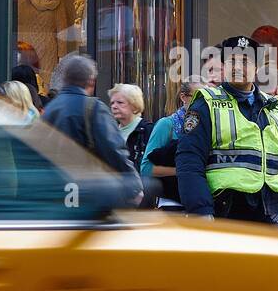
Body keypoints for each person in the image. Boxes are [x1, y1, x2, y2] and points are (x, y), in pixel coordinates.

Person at [176, 35, 278, 224]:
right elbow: (189, 159)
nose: (236, 67)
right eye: (231, 61)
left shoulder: (273, 107)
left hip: (270, 212)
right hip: (224, 211)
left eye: (244, 62)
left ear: (257, 68)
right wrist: (200, 210)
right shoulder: (206, 102)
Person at [41, 54, 142, 204]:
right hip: (86, 192)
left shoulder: (49, 110)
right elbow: (113, 150)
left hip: (55, 192)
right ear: (91, 81)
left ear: (66, 79)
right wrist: (134, 186)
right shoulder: (93, 108)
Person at [140, 78, 208, 209]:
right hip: (172, 202)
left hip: (202, 199)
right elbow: (146, 169)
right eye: (198, 97)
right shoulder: (166, 124)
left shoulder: (207, 126)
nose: (203, 103)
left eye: (206, 99)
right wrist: (184, 171)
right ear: (183, 97)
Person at [109, 83, 153, 167]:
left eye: (120, 102)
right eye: (112, 103)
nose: (114, 106)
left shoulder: (148, 130)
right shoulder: (110, 132)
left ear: (134, 105)